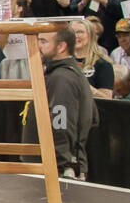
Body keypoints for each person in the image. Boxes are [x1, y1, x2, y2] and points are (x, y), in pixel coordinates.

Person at [27, 27, 97, 179]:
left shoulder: (62, 79)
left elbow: (61, 125)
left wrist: (62, 164)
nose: (38, 46)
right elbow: (93, 117)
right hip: (54, 165)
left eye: (44, 41)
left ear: (61, 47)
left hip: (57, 170)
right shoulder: (64, 74)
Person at [70, 17, 114, 99]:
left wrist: (88, 88)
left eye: (80, 32)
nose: (75, 36)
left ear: (90, 35)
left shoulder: (103, 64)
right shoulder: (64, 62)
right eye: (72, 32)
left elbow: (107, 98)